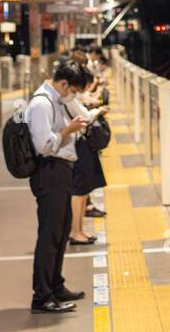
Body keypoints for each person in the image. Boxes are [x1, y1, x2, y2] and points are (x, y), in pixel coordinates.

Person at [25, 61, 88, 314]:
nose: (72, 95)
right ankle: (41, 297)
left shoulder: (55, 101)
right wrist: (68, 130)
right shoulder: (42, 104)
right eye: (72, 90)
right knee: (49, 235)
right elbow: (44, 145)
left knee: (61, 231)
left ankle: (55, 285)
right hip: (49, 171)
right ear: (63, 84)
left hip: (60, 171)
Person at [66, 68, 109, 245]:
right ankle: (75, 232)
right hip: (77, 145)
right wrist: (98, 112)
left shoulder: (69, 96)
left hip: (78, 144)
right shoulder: (68, 98)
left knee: (83, 190)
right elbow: (85, 117)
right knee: (79, 190)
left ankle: (79, 230)